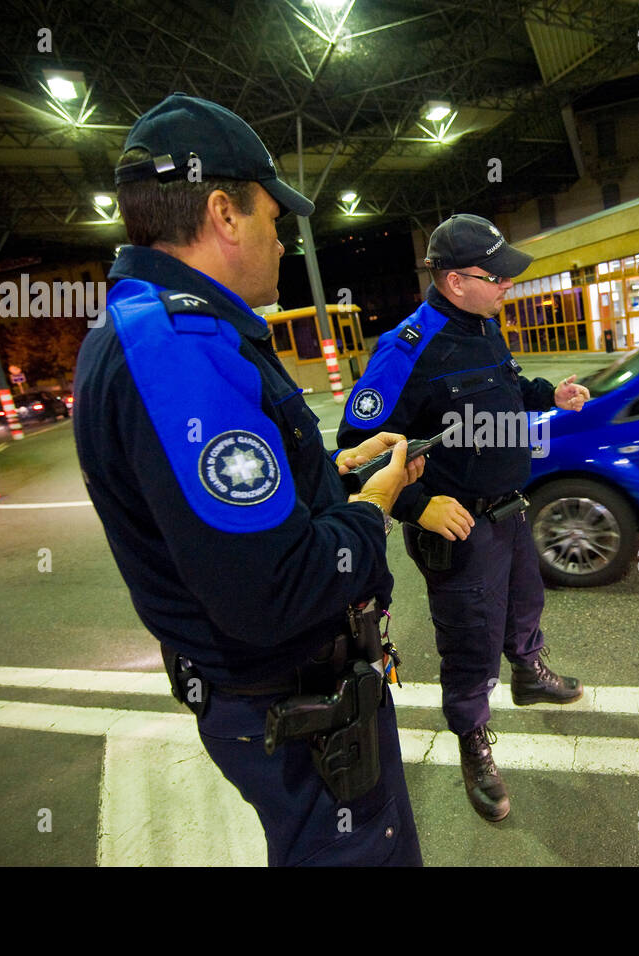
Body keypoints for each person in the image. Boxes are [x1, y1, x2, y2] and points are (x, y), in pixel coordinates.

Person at [73, 92, 425, 866]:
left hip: (274, 697)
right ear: (224, 213)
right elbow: (275, 589)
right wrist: (373, 506)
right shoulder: (183, 347)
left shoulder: (144, 323)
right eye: (273, 218)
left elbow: (216, 509)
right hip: (294, 703)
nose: (283, 242)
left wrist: (319, 478)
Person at [337, 213, 590, 823]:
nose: (508, 286)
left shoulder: (484, 323)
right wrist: (419, 506)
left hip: (509, 510)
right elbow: (354, 454)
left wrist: (544, 395)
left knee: (524, 602)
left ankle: (529, 672)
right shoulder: (407, 348)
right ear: (454, 281)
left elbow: (501, 388)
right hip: (460, 527)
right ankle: (473, 739)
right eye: (495, 276)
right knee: (471, 640)